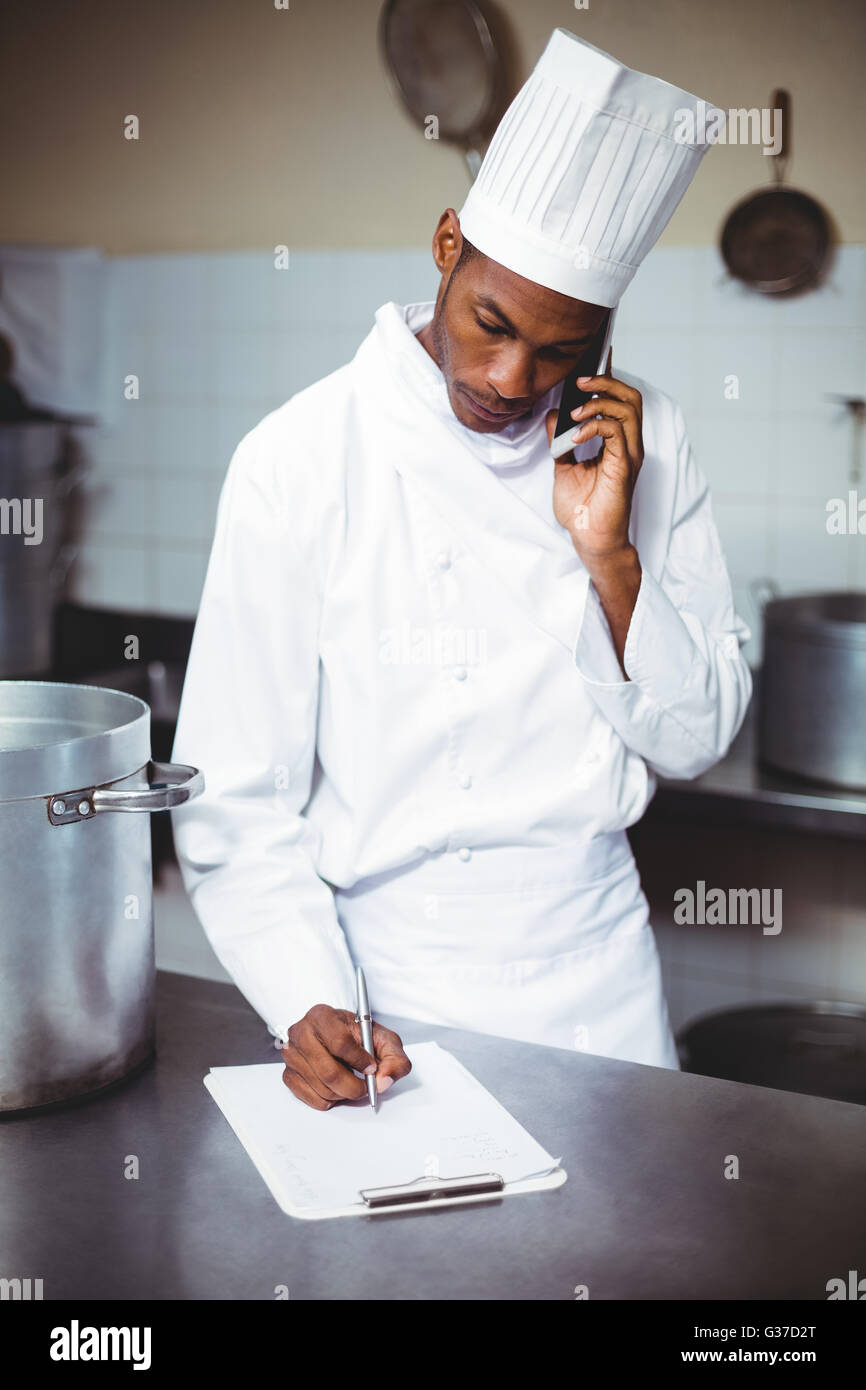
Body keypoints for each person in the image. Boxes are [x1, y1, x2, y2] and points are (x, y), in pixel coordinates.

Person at [171, 29, 751, 1109]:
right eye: (490, 323)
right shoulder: (298, 458)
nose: (508, 376)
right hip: (387, 986)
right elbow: (236, 798)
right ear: (446, 245)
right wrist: (305, 997)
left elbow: (695, 739)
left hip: (599, 980)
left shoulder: (648, 440)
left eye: (561, 350)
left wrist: (609, 555)